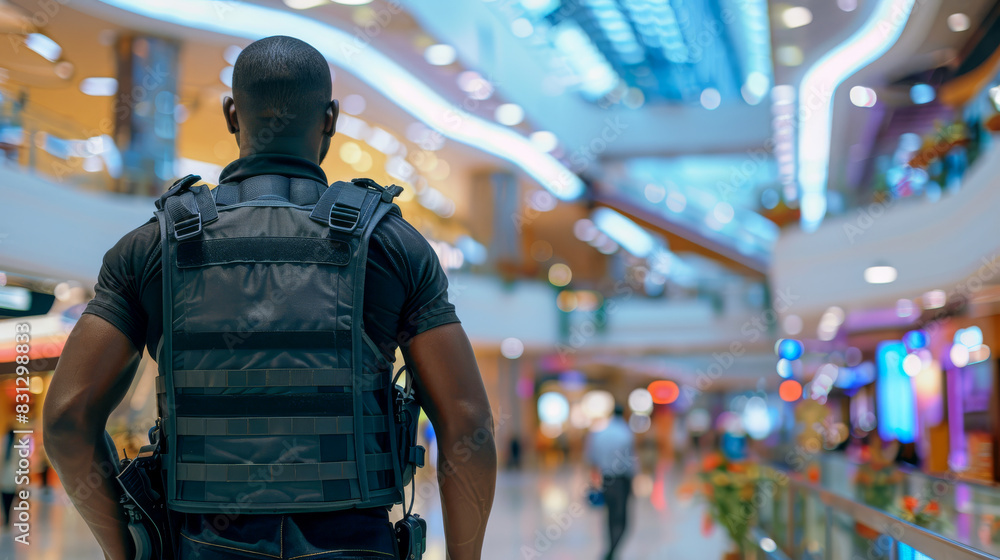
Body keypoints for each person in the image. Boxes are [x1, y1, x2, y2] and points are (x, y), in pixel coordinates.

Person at [42, 35, 496, 560]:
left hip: (202, 543)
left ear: (232, 114)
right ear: (330, 118)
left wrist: (128, 551)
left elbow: (65, 418)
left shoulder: (153, 247)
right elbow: (469, 426)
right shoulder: (392, 245)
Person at [585, 405, 637, 560]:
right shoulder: (626, 433)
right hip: (622, 480)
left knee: (610, 517)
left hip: (606, 479)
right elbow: (631, 461)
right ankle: (612, 551)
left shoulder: (600, 433)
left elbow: (591, 458)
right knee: (622, 519)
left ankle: (610, 548)